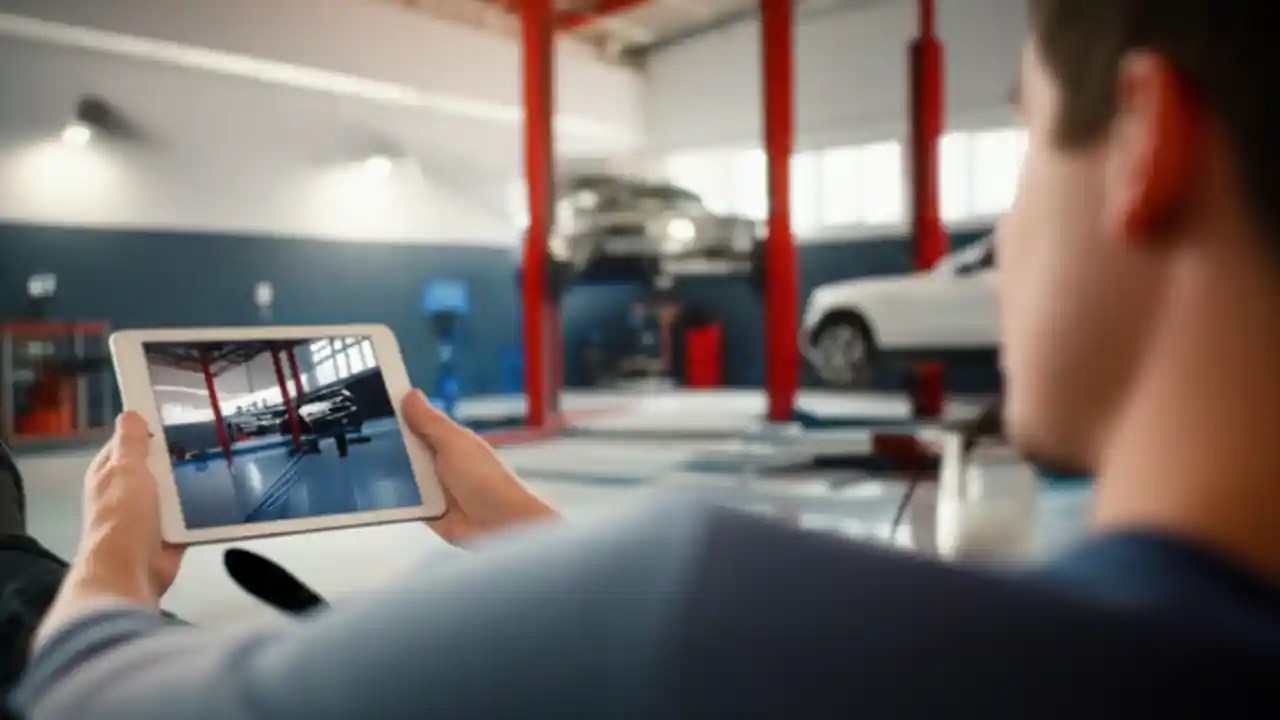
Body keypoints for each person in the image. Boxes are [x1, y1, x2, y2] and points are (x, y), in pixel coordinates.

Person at [6, 0, 1280, 715]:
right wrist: (526, 533)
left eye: (1025, 147)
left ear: (1138, 146)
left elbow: (85, 705)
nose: (1004, 232)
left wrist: (119, 550)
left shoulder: (684, 615)